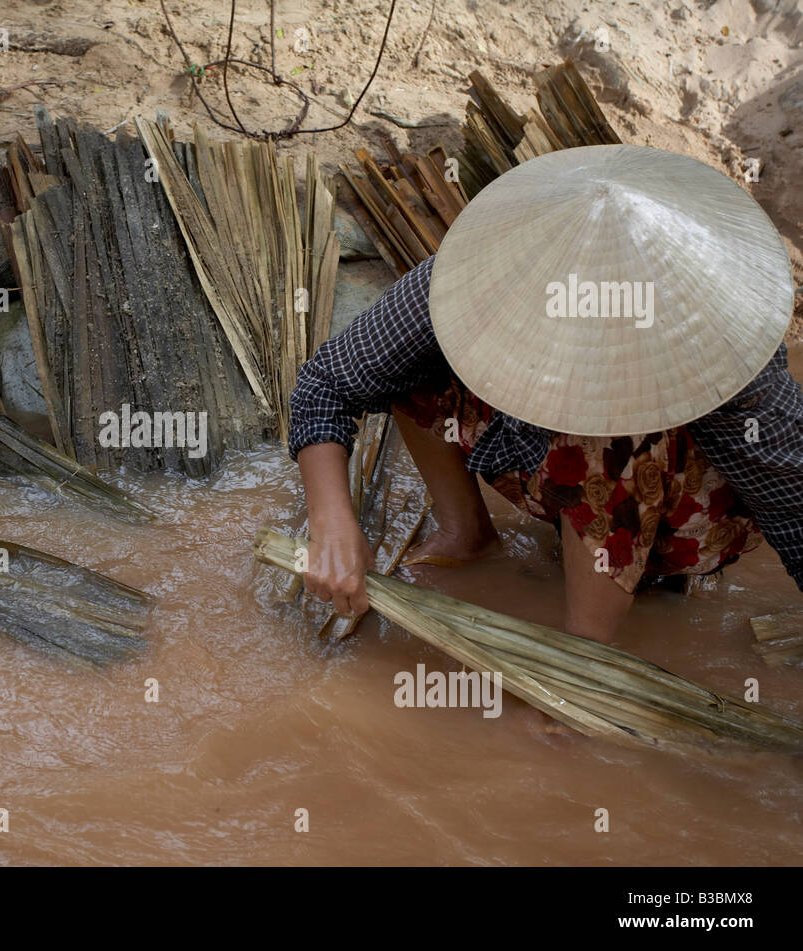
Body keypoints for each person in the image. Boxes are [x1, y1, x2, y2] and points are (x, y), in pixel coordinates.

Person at [290, 145, 801, 643]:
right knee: (413, 368)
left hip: (671, 512)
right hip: (541, 457)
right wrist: (331, 524)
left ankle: (585, 647)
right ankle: (466, 534)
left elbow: (792, 500)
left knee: (606, 439)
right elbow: (328, 382)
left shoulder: (715, 337)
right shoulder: (467, 277)